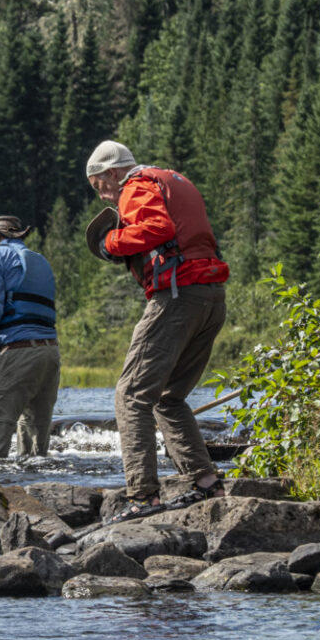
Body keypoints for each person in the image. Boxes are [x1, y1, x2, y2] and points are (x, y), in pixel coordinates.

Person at [85, 140, 230, 524]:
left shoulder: (135, 185)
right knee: (169, 397)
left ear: (113, 173)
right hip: (211, 297)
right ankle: (207, 482)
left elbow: (157, 227)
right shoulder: (171, 180)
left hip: (178, 298)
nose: (102, 193)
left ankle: (143, 498)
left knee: (131, 395)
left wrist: (111, 243)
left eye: (99, 185)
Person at [0, 215, 61, 459]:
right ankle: (34, 493)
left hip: (18, 351)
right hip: (50, 353)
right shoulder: (40, 260)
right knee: (35, 454)